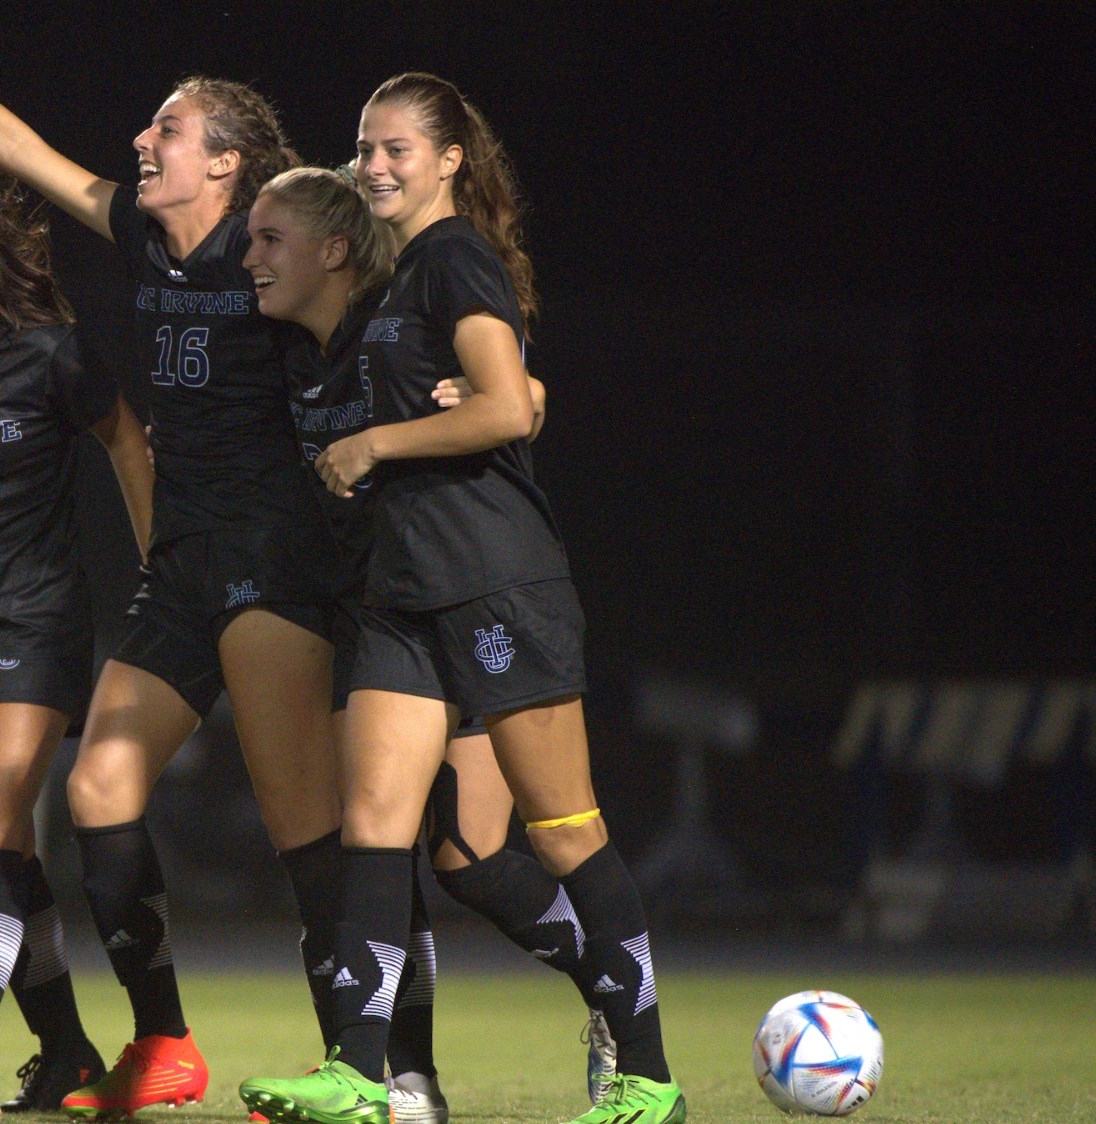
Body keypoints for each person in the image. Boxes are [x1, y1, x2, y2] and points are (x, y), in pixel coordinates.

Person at [0, 21, 348, 1116]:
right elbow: (16, 150)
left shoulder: (273, 244)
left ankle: (367, 1061)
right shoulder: (149, 243)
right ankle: (165, 1042)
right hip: (185, 570)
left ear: (228, 162)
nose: (143, 140)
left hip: (271, 559)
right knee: (98, 793)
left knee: (306, 827)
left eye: (169, 129)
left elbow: (374, 283)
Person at [239, 75, 685, 1124]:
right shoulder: (400, 277)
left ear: (448, 161)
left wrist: (376, 441)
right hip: (399, 592)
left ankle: (648, 1074)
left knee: (563, 830)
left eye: (395, 148)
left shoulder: (453, 256)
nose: (373, 165)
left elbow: (505, 409)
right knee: (373, 825)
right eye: (363, 147)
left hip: (493, 582)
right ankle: (360, 1073)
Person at [0, 139, 155, 1113]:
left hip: (31, 625)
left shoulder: (47, 351)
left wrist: (158, 562)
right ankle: (66, 1050)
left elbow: (126, 441)